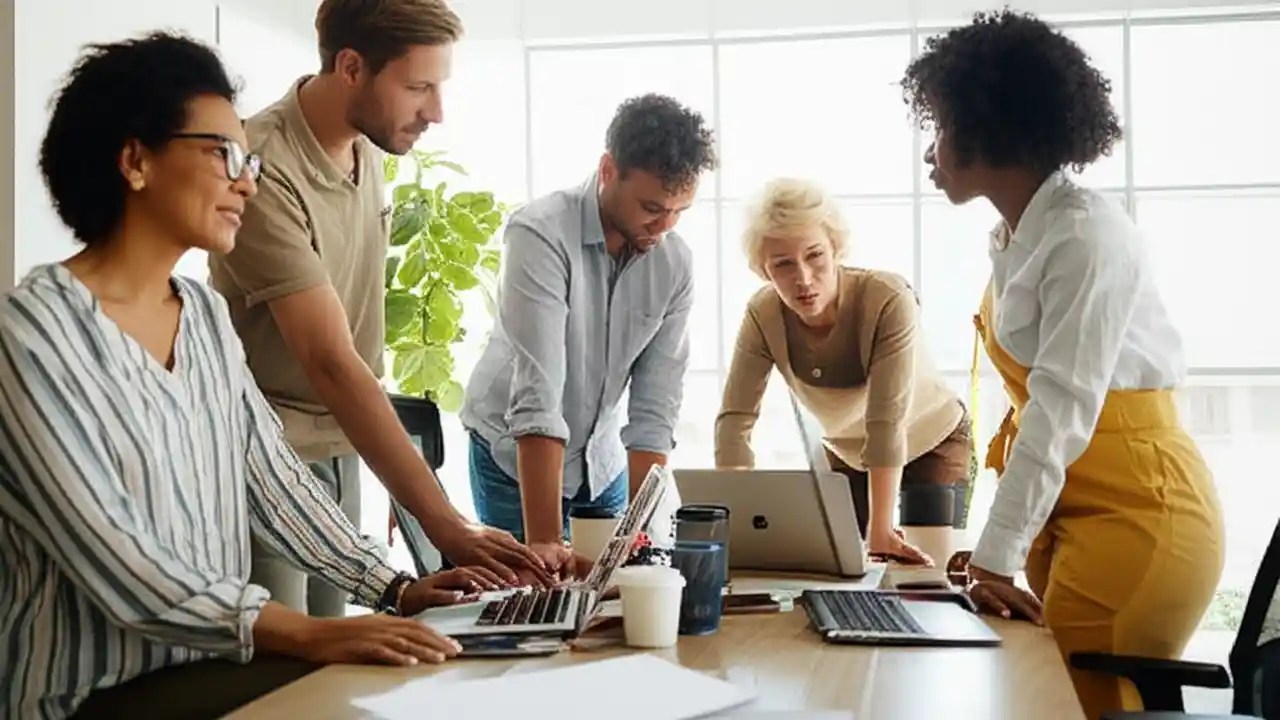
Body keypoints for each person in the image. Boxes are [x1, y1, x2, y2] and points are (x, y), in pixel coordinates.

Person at [0, 33, 505, 720]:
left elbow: (274, 480)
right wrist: (312, 632)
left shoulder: (202, 315)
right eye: (223, 154)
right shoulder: (32, 335)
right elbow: (123, 565)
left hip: (200, 673)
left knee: (412, 685)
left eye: (249, 158)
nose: (247, 180)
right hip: (84, 696)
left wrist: (394, 588)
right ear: (135, 160)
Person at [901, 10, 1224, 719]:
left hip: (1139, 517)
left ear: (994, 126)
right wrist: (994, 547)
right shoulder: (1017, 235)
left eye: (944, 126)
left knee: (1060, 703)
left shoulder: (1086, 238)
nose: (931, 151)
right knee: (1027, 693)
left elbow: (1059, 410)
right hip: (1070, 513)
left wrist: (993, 553)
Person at [208, 0, 546, 615]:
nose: (436, 111)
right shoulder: (261, 165)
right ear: (351, 67)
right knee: (279, 683)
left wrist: (413, 492)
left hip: (342, 448)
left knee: (336, 666)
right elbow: (332, 362)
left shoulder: (369, 151)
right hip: (266, 461)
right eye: (418, 86)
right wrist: (445, 524)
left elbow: (355, 352)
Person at [460, 93, 717, 573]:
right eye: (651, 207)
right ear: (607, 170)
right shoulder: (539, 234)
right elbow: (538, 395)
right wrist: (542, 544)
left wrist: (647, 539)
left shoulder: (674, 262)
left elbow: (654, 407)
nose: (663, 227)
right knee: (533, 600)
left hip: (600, 461)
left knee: (625, 585)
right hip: (515, 460)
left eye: (680, 211)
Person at [715, 177, 973, 567]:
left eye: (815, 255)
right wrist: (731, 518)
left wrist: (882, 527)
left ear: (836, 248)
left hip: (931, 439)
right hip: (847, 453)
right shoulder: (763, 313)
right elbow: (735, 421)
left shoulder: (886, 298)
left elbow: (886, 421)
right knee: (845, 572)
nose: (802, 277)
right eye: (782, 264)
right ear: (764, 271)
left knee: (926, 577)